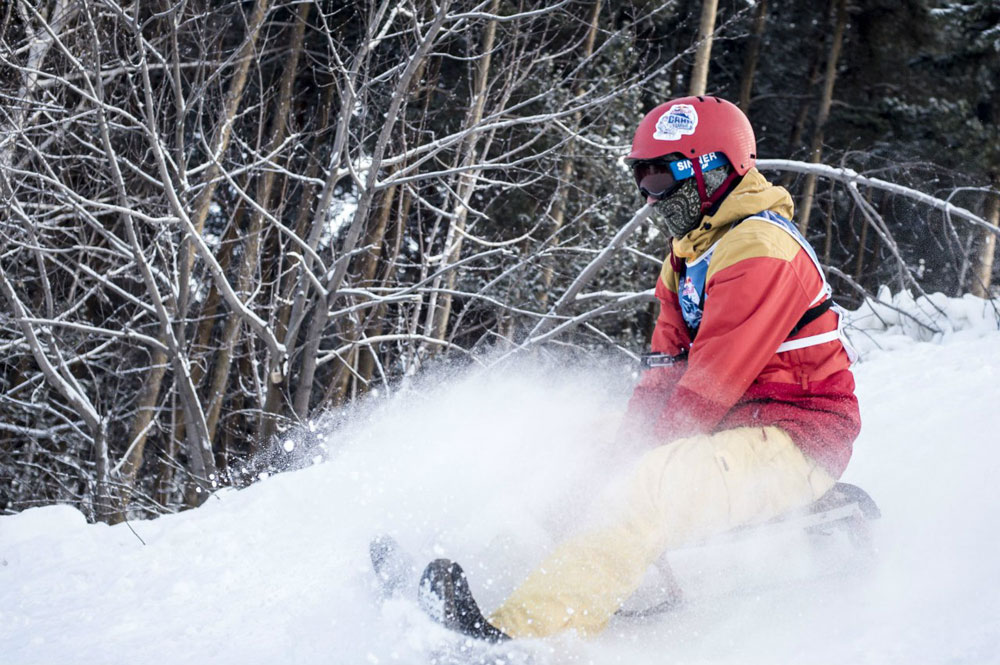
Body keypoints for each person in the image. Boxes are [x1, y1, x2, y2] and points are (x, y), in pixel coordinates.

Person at [415, 95, 861, 641]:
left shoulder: (761, 248)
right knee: (573, 450)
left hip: (795, 438)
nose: (653, 194)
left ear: (713, 168)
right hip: (733, 429)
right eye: (641, 176)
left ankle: (532, 635)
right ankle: (493, 576)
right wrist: (614, 451)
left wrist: (635, 462)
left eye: (663, 175)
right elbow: (662, 373)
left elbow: (709, 385)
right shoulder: (690, 256)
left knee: (649, 484)